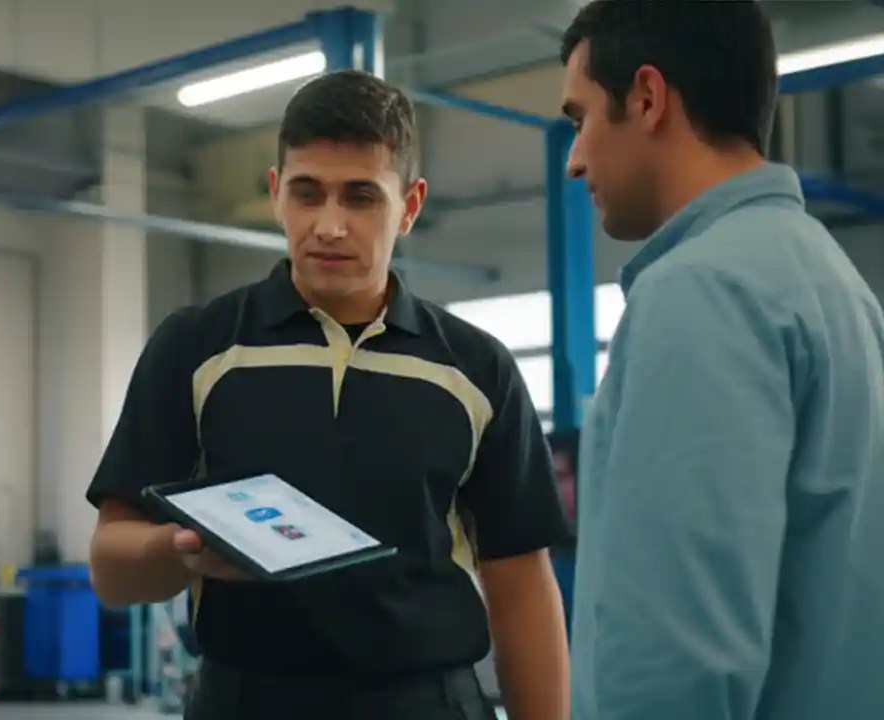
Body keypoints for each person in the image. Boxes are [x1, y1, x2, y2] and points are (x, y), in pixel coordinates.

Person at [86, 69, 571, 720]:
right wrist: (177, 551)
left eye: (361, 197)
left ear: (411, 205)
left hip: (427, 703)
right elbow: (111, 567)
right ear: (276, 193)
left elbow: (520, 585)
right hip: (245, 701)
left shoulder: (475, 369)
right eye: (307, 193)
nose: (330, 226)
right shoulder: (197, 347)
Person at [559, 2, 884, 719]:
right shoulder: (834, 286)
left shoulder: (700, 294)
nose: (574, 157)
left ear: (647, 98)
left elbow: (674, 667)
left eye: (579, 117)